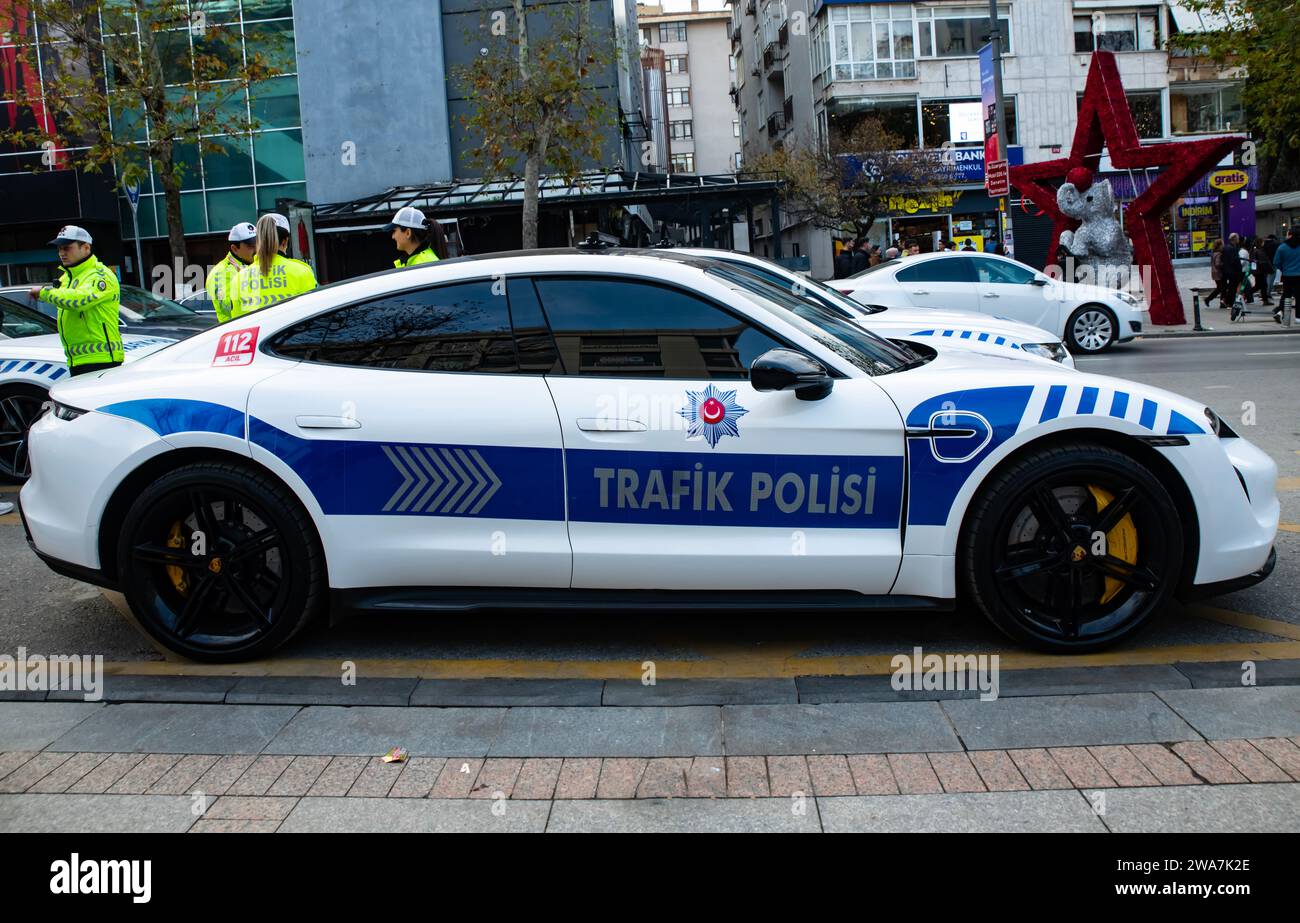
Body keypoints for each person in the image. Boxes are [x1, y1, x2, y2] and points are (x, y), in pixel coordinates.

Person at [27, 225, 123, 377]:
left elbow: (78, 301)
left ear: (86, 248)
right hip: (77, 360)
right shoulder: (66, 278)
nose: (61, 253)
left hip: (101, 359)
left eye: (67, 248)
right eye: (59, 249)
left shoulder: (100, 275)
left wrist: (44, 293)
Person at [231, 213, 317, 319]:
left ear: (258, 241)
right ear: (285, 242)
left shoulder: (239, 278)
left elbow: (237, 321)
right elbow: (313, 313)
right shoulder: (302, 271)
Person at [206, 222, 256, 322]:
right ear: (235, 249)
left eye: (259, 243)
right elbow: (227, 308)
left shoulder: (256, 264)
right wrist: (245, 280)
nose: (257, 249)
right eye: (251, 246)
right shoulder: (220, 272)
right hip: (239, 329)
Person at [1271, 226, 1300, 324]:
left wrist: (1283, 268)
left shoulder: (1282, 247)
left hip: (1287, 275)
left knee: (1286, 295)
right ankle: (1298, 317)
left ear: (1290, 235)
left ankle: (1281, 312)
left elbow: (1276, 262)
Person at [1221, 233, 1243, 313]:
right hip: (1233, 271)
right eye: (1237, 238)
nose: (1238, 239)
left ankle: (1225, 300)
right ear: (1234, 239)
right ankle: (1229, 303)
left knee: (1231, 287)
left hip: (1226, 270)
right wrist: (1239, 269)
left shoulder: (1226, 247)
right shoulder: (1233, 248)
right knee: (1233, 288)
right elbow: (1235, 261)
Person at [1250, 237, 1274, 306]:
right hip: (1260, 271)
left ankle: (1264, 300)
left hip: (1256, 271)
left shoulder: (1254, 250)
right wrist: (1268, 269)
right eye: (1263, 242)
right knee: (1263, 285)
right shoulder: (1260, 251)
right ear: (1261, 243)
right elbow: (1263, 262)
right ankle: (1265, 300)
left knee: (1259, 286)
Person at [1206, 239, 1225, 307]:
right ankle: (1209, 299)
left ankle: (1209, 299)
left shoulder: (1214, 253)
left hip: (1214, 272)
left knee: (1220, 288)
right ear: (1220, 245)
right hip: (1218, 272)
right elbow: (1217, 264)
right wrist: (1224, 264)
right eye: (1222, 244)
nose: (1223, 246)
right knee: (1222, 288)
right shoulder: (1219, 254)